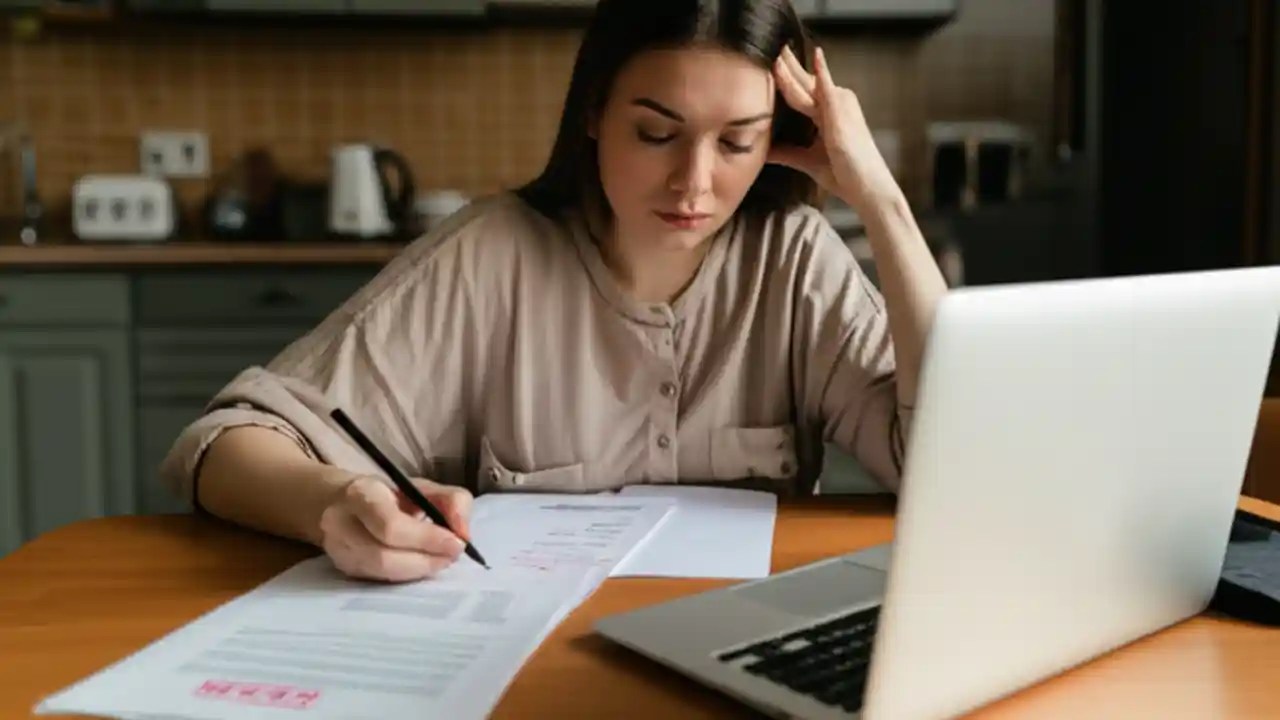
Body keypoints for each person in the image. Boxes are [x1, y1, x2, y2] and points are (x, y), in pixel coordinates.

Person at [160, 0, 948, 583]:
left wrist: (880, 200)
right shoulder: (489, 259)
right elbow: (225, 444)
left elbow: (944, 466)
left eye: (738, 141)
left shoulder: (795, 263)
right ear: (594, 113)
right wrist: (338, 504)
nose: (695, 182)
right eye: (656, 132)